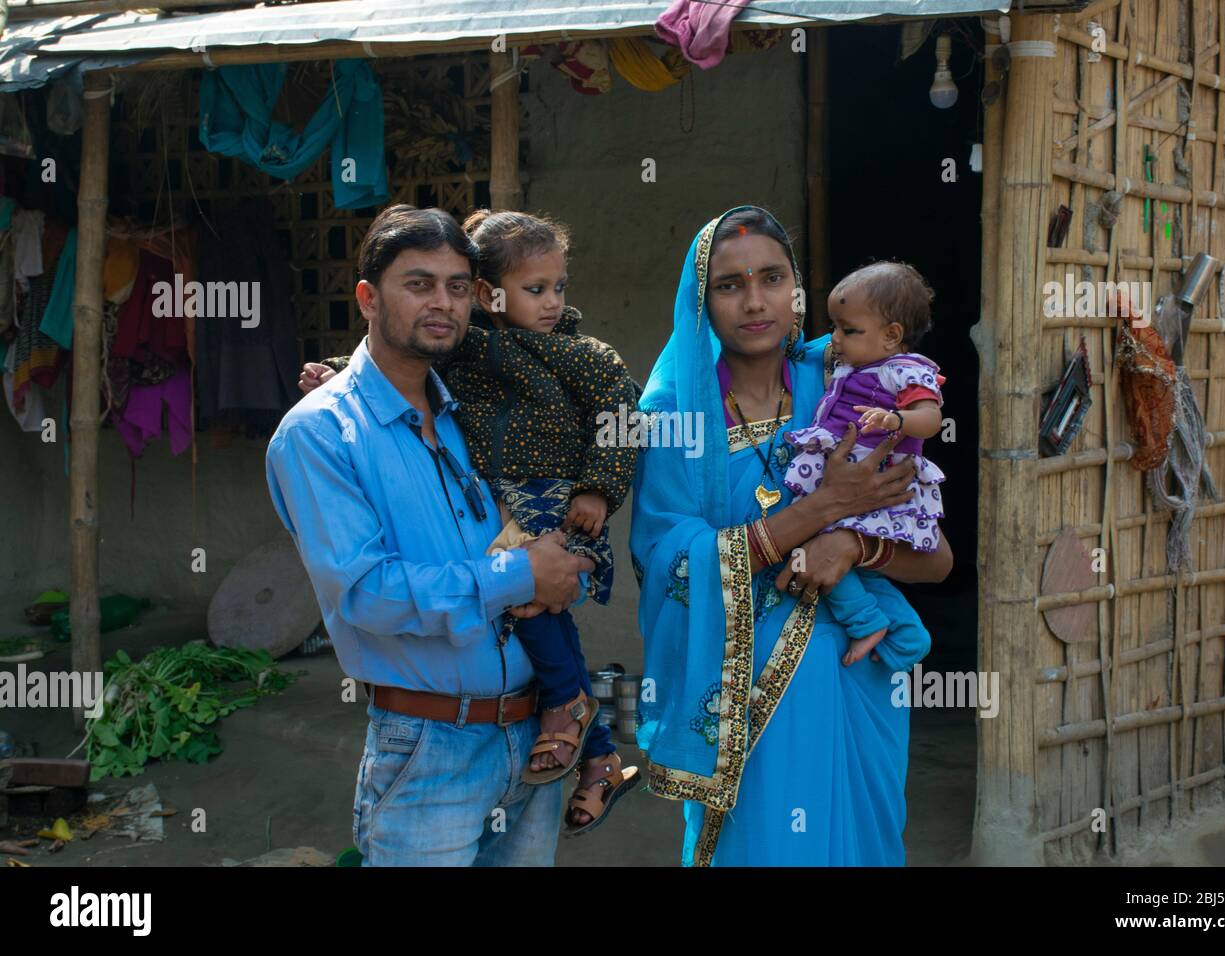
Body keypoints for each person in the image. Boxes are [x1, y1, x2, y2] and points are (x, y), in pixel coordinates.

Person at [266, 204, 593, 865]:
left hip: (532, 734)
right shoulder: (320, 434)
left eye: (457, 286)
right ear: (367, 297)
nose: (442, 303)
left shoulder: (471, 413)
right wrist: (525, 575)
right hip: (428, 748)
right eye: (419, 284)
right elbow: (366, 594)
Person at [630, 205, 952, 866]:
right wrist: (822, 509)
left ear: (798, 290)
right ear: (702, 302)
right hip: (745, 704)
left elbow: (937, 561)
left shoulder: (842, 386)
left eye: (772, 278)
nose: (755, 301)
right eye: (729, 285)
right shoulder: (674, 417)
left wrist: (853, 545)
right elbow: (672, 566)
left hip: (858, 681)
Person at [782, 261, 947, 665]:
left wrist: (899, 420)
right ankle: (907, 635)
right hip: (848, 475)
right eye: (834, 327)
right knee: (857, 566)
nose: (834, 339)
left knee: (817, 547)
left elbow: (931, 418)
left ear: (892, 336)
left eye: (848, 330)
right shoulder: (853, 365)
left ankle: (866, 622)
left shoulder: (902, 371)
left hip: (874, 482)